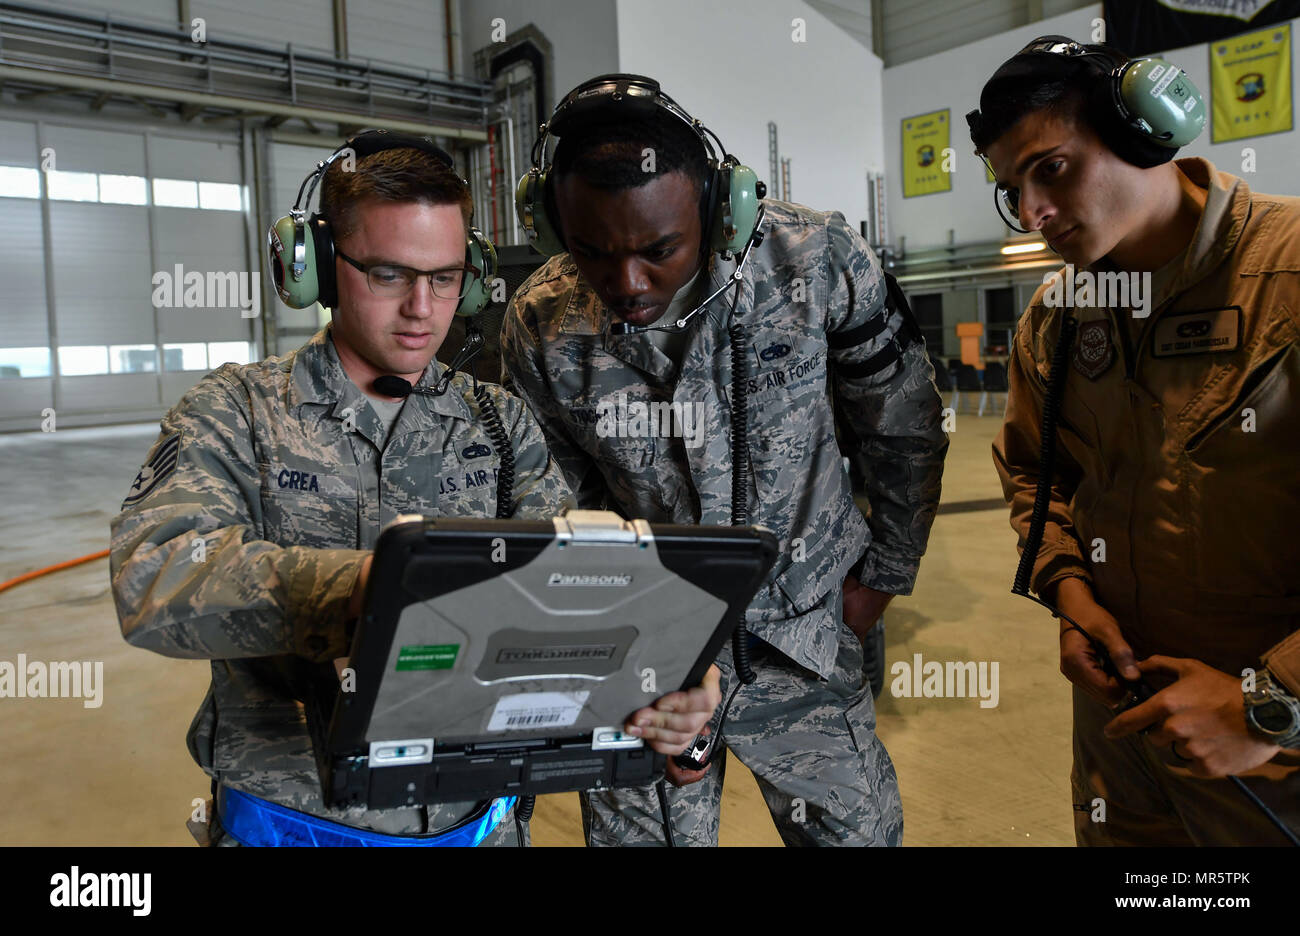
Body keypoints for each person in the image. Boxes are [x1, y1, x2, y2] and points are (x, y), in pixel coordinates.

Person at [110, 132, 721, 847]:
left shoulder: (498, 423)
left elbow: (575, 595)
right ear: (317, 267)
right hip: (297, 828)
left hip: (476, 824)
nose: (423, 310)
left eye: (445, 277)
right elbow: (153, 582)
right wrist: (364, 590)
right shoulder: (238, 412)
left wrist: (670, 695)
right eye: (389, 274)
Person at [501, 75, 948, 846]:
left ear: (718, 206)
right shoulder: (541, 326)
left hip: (805, 644)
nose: (627, 283)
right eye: (592, 253)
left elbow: (903, 426)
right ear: (552, 227)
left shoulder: (813, 261)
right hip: (645, 664)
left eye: (658, 249)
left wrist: (884, 574)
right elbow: (548, 507)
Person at [972, 37, 1300, 845]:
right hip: (1122, 734)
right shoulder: (1057, 316)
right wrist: (1071, 593)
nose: (1034, 211)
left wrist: (1272, 703)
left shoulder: (1288, 277)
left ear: (1146, 129)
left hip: (1272, 752)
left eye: (1050, 167)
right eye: (1012, 189)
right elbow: (1034, 473)